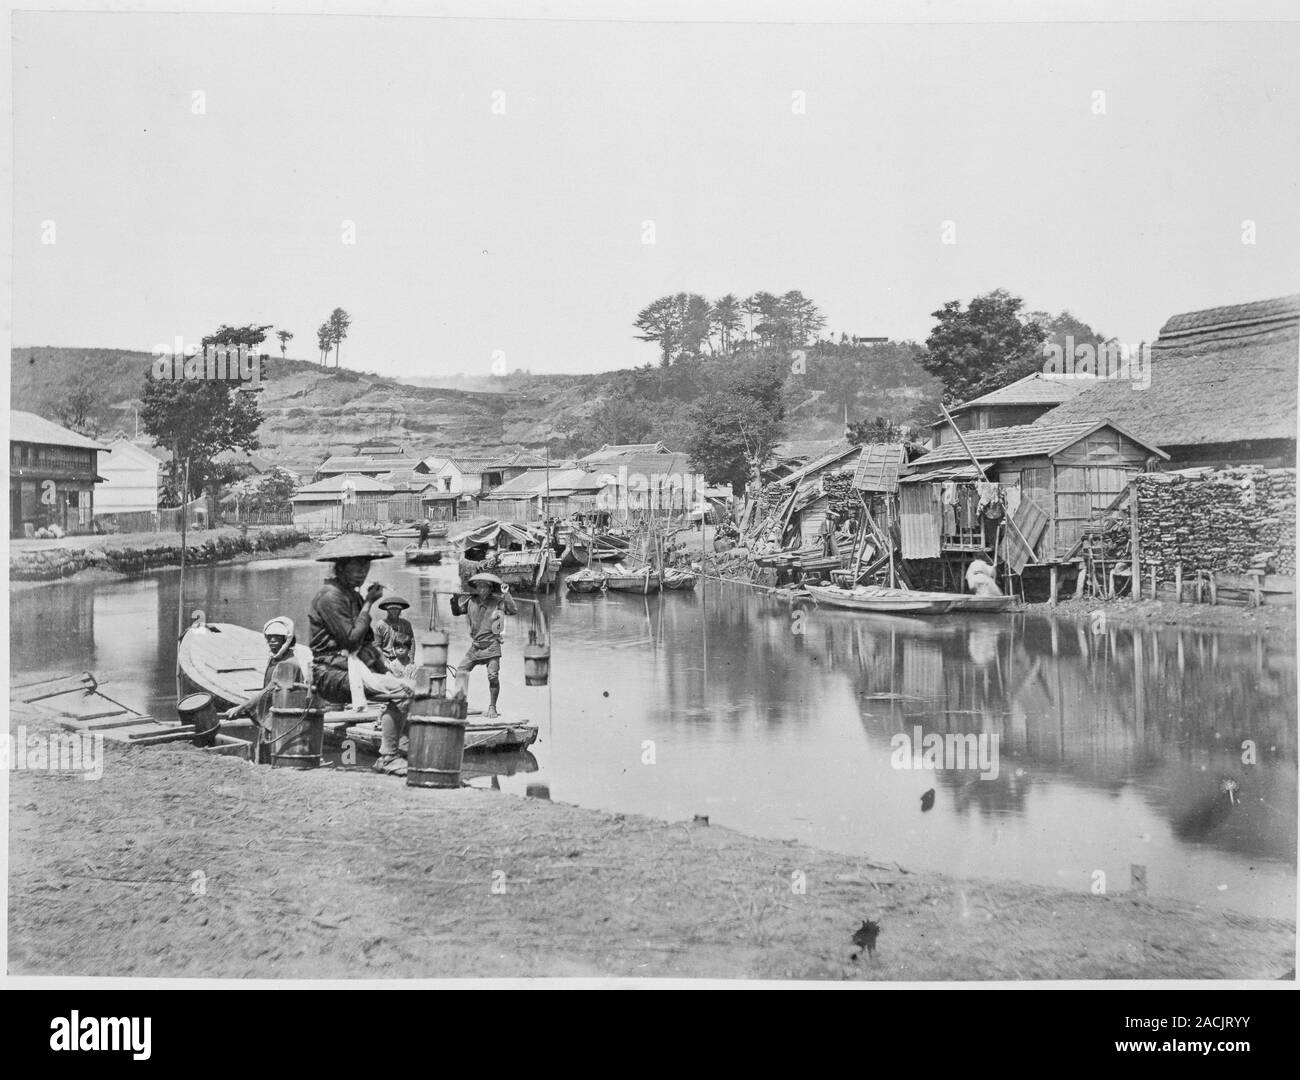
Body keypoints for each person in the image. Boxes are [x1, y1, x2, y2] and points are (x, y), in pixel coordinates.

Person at [308, 534, 413, 774]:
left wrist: (386, 671)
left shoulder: (351, 596)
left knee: (409, 686)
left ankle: (399, 751)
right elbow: (351, 640)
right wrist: (368, 603)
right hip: (329, 672)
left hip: (350, 667)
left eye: (365, 567)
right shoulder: (330, 596)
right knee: (403, 692)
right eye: (355, 567)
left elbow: (367, 644)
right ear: (341, 568)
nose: (361, 573)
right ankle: (389, 757)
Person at [227, 617, 315, 764]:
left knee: (274, 752)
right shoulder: (274, 660)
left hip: (281, 717)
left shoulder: (289, 664)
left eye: (277, 637)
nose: (272, 641)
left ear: (285, 640)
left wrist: (242, 707)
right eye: (269, 637)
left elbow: (270, 690)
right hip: (272, 712)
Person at [451, 572, 517, 719]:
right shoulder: (470, 601)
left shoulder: (498, 602)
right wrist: (455, 599)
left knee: (493, 677)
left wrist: (506, 594)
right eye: (479, 587)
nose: (481, 590)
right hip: (475, 646)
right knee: (461, 670)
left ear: (490, 589)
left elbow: (513, 610)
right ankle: (460, 704)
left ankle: (492, 707)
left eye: (485, 587)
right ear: (476, 588)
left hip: (492, 645)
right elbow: (457, 612)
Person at [372, 594, 415, 671]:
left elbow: (411, 642)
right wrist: (385, 661)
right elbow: (376, 646)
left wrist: (411, 660)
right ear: (387, 610)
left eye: (397, 609)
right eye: (391, 609)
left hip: (403, 658)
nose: (394, 612)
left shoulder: (406, 624)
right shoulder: (381, 624)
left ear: (400, 611)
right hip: (387, 658)